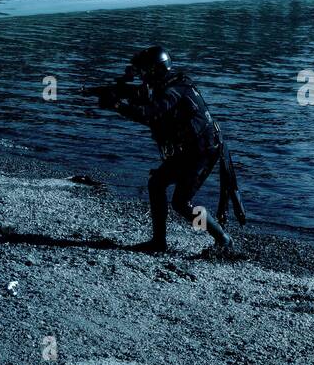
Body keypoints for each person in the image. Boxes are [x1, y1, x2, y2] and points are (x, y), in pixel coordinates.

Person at [101, 46, 238, 254]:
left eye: (145, 71)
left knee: (182, 203)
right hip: (192, 149)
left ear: (155, 70)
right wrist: (119, 92)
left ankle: (223, 239)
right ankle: (158, 242)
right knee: (156, 184)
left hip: (203, 150)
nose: (142, 76)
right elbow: (143, 98)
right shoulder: (167, 86)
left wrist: (118, 105)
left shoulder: (172, 91)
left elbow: (149, 114)